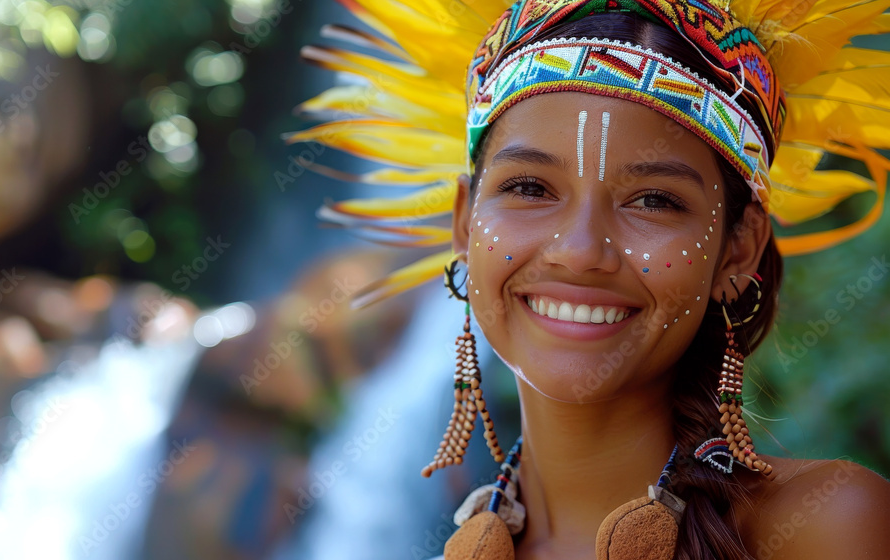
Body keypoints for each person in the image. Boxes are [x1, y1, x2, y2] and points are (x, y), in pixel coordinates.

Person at [290, 0, 890, 558]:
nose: (579, 252)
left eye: (653, 200)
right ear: (465, 222)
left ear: (738, 248)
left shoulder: (828, 525)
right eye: (528, 188)